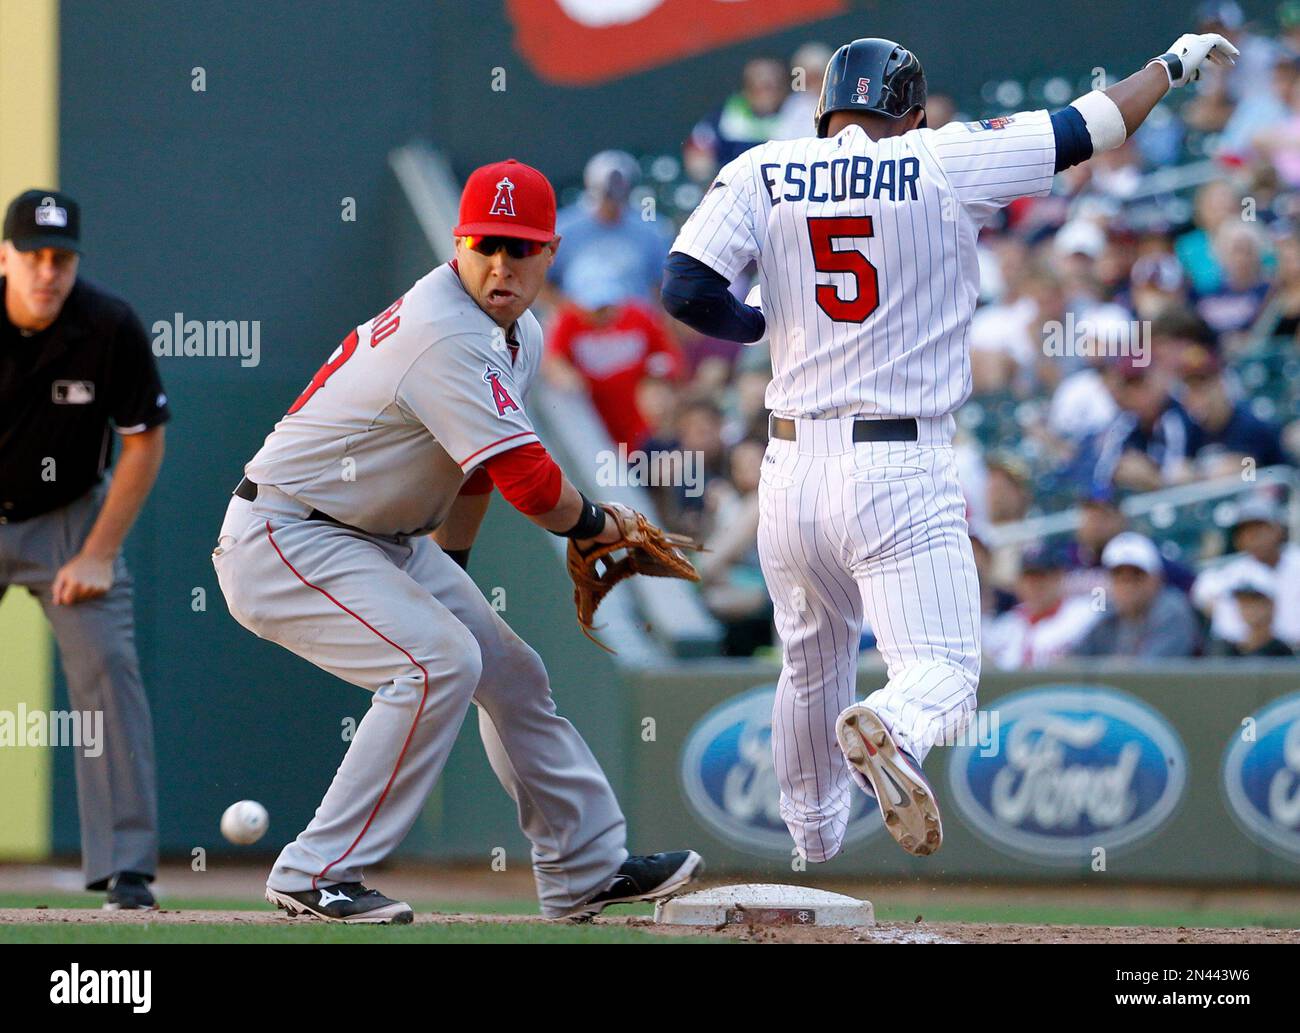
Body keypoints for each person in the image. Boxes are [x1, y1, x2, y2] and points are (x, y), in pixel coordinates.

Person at [661, 30, 1238, 861]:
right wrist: (1173, 65)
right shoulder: (940, 158)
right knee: (941, 668)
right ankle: (891, 722)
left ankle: (811, 842)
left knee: (809, 664)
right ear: (913, 112)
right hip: (897, 458)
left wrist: (756, 324)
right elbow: (1093, 127)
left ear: (827, 109)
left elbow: (684, 285)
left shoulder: (760, 167)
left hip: (787, 470)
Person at [212, 159, 700, 924]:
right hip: (287, 532)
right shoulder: (445, 332)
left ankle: (585, 868)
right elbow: (531, 484)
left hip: (382, 538)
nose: (501, 263)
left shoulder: (518, 333)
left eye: (520, 247)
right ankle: (317, 870)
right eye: (486, 244)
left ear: (551, 252)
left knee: (511, 672)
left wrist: (454, 570)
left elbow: (470, 471)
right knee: (436, 662)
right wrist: (599, 525)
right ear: (458, 244)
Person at [0, 189, 168, 909]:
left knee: (107, 663)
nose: (47, 271)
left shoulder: (108, 326)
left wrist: (99, 551)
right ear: (4, 257)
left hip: (70, 515)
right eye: (32, 256)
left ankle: (125, 870)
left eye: (61, 257)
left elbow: (143, 440)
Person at [542, 275, 683, 449]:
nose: (602, 313)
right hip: (598, 419)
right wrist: (566, 376)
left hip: (640, 422)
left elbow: (670, 357)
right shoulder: (569, 321)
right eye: (595, 308)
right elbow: (554, 361)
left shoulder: (638, 316)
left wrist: (656, 377)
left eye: (607, 306)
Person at [547, 150, 671, 308]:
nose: (612, 200)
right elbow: (542, 282)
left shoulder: (652, 231)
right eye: (606, 192)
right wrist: (569, 314)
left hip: (635, 324)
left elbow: (660, 285)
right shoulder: (564, 229)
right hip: (581, 325)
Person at [1191, 495, 1300, 648]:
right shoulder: (1235, 573)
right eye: (1245, 531)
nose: (1253, 536)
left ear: (1278, 529)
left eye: (1259, 528)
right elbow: (1203, 589)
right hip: (1252, 656)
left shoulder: (1296, 560)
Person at [1072, 532, 1202, 658]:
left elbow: (1147, 674)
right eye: (1119, 577)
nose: (1127, 585)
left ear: (1156, 579)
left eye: (1136, 576)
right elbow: (1074, 660)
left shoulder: (1172, 610)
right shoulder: (1109, 612)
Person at [984, 542, 1099, 669]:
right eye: (1029, 578)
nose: (1035, 586)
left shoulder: (1084, 616)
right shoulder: (1005, 626)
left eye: (1042, 577)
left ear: (1059, 577)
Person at [1205, 566, 1296, 657]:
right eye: (1242, 601)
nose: (1248, 609)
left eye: (1254, 600)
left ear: (1271, 604)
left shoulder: (1282, 653)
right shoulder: (1228, 651)